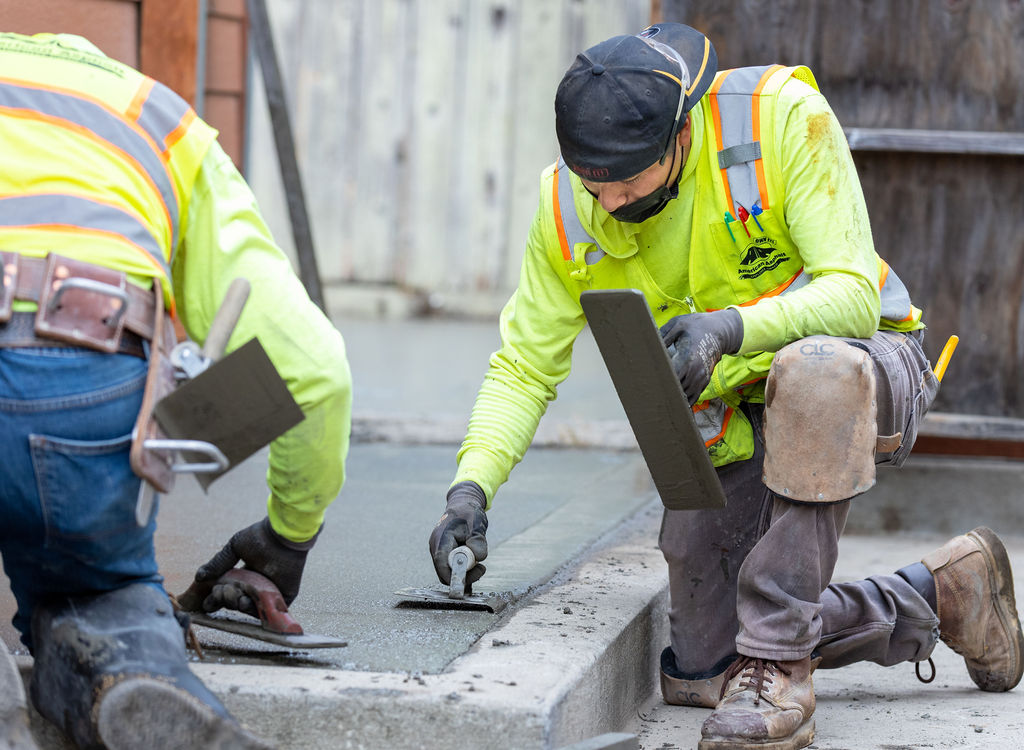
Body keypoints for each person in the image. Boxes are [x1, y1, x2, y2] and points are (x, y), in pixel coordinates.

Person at [427, 21, 1023, 750]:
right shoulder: (567, 212)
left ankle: (779, 671)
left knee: (814, 372)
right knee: (703, 667)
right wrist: (471, 490)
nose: (609, 202)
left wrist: (727, 329)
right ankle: (942, 593)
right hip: (733, 410)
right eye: (594, 183)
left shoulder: (779, 119)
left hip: (863, 365)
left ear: (682, 135)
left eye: (628, 182)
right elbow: (523, 367)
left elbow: (851, 294)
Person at [0, 32, 351, 749]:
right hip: (81, 372)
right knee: (92, 588)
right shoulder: (154, 118)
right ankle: (132, 667)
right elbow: (316, 369)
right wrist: (287, 535)